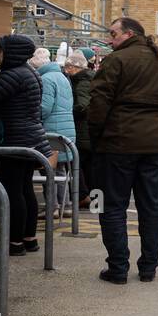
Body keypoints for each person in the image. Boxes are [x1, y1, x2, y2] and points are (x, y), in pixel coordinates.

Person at [88, 17, 158, 284]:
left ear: (128, 34)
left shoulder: (115, 61)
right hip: (153, 145)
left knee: (112, 206)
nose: (110, 39)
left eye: (113, 33)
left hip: (117, 144)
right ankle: (148, 268)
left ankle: (118, 267)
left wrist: (98, 137)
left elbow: (98, 102)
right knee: (151, 206)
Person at [0, 35, 53, 256]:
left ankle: (14, 243)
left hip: (15, 138)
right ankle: (29, 239)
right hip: (30, 139)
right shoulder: (29, 72)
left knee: (13, 192)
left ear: (12, 52)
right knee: (25, 189)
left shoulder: (13, 75)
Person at [34, 46, 77, 215]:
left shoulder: (46, 79)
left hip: (51, 128)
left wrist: (31, 114)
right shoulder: (62, 77)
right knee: (60, 170)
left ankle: (53, 207)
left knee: (47, 169)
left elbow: (44, 108)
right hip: (66, 128)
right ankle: (64, 205)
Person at [63, 50, 94, 207]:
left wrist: (67, 112)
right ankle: (90, 199)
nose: (66, 70)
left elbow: (83, 105)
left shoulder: (82, 82)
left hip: (83, 130)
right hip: (87, 130)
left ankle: (83, 196)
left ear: (76, 67)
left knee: (79, 164)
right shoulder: (85, 79)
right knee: (86, 166)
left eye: (68, 67)